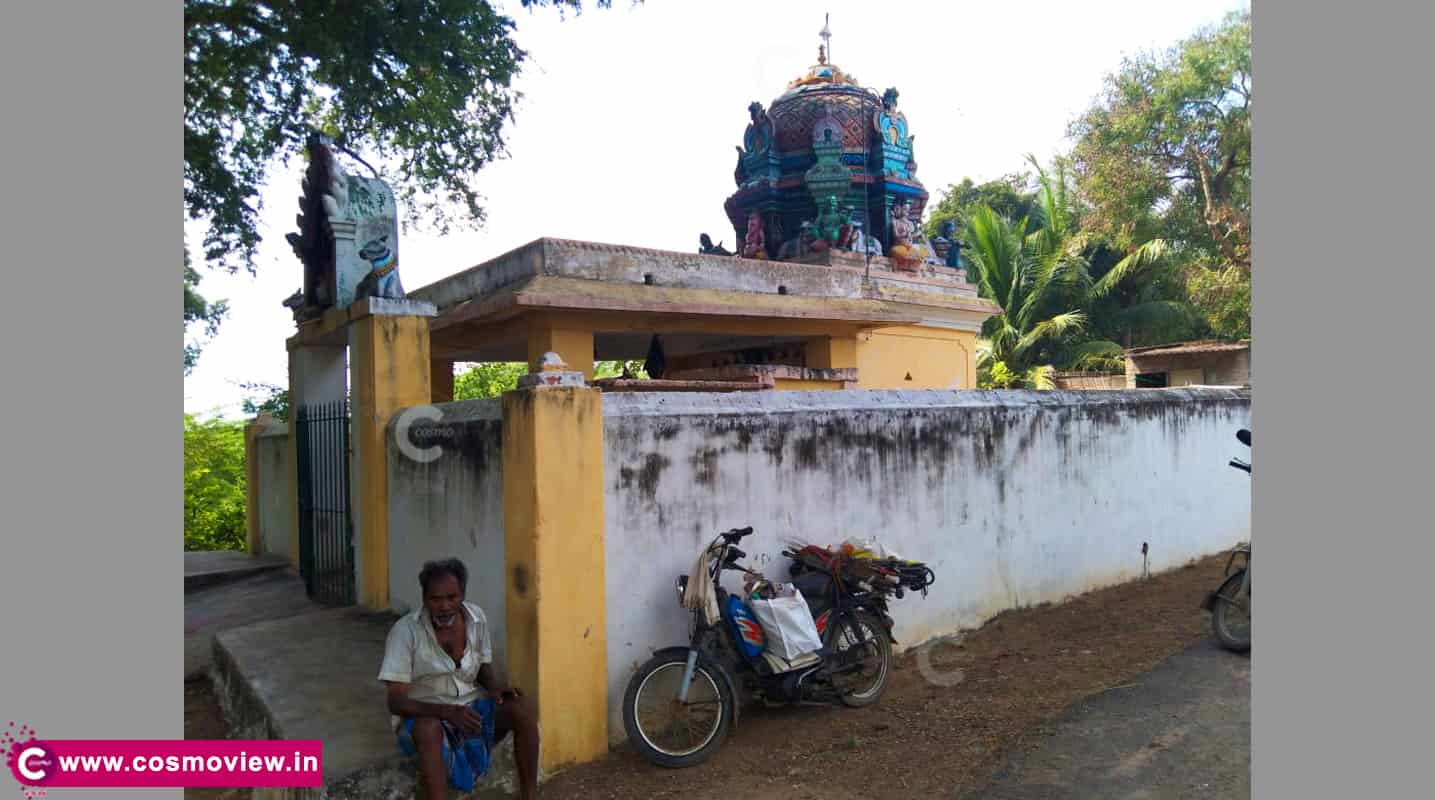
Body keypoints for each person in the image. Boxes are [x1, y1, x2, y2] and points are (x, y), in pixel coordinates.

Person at [379, 559, 540, 799]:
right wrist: (446, 712)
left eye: (452, 597)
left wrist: (495, 687)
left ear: (462, 594)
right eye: (435, 599)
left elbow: (482, 665)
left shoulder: (476, 619)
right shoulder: (405, 632)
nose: (444, 606)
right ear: (424, 598)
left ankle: (530, 795)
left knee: (523, 708)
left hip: (468, 707)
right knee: (428, 729)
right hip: (426, 715)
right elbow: (396, 702)